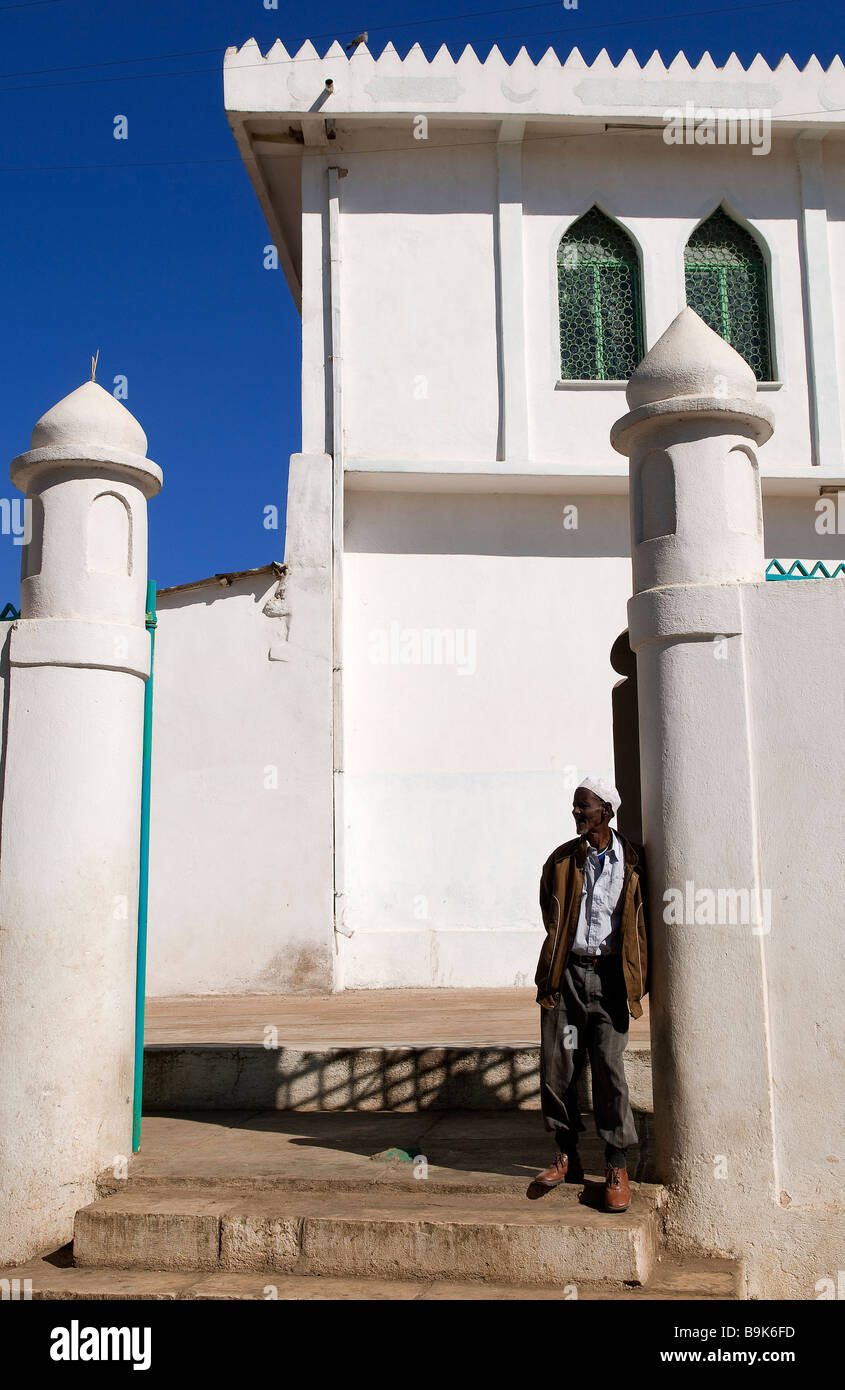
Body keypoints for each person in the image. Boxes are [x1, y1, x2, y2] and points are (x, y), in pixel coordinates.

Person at [533, 776, 649, 1213]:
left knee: (608, 1069)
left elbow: (640, 925)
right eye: (576, 807)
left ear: (607, 812)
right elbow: (550, 908)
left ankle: (616, 1166)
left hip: (611, 981)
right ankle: (566, 1155)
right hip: (566, 978)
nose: (577, 813)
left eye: (585, 807)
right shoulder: (562, 860)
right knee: (558, 1067)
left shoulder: (634, 862)